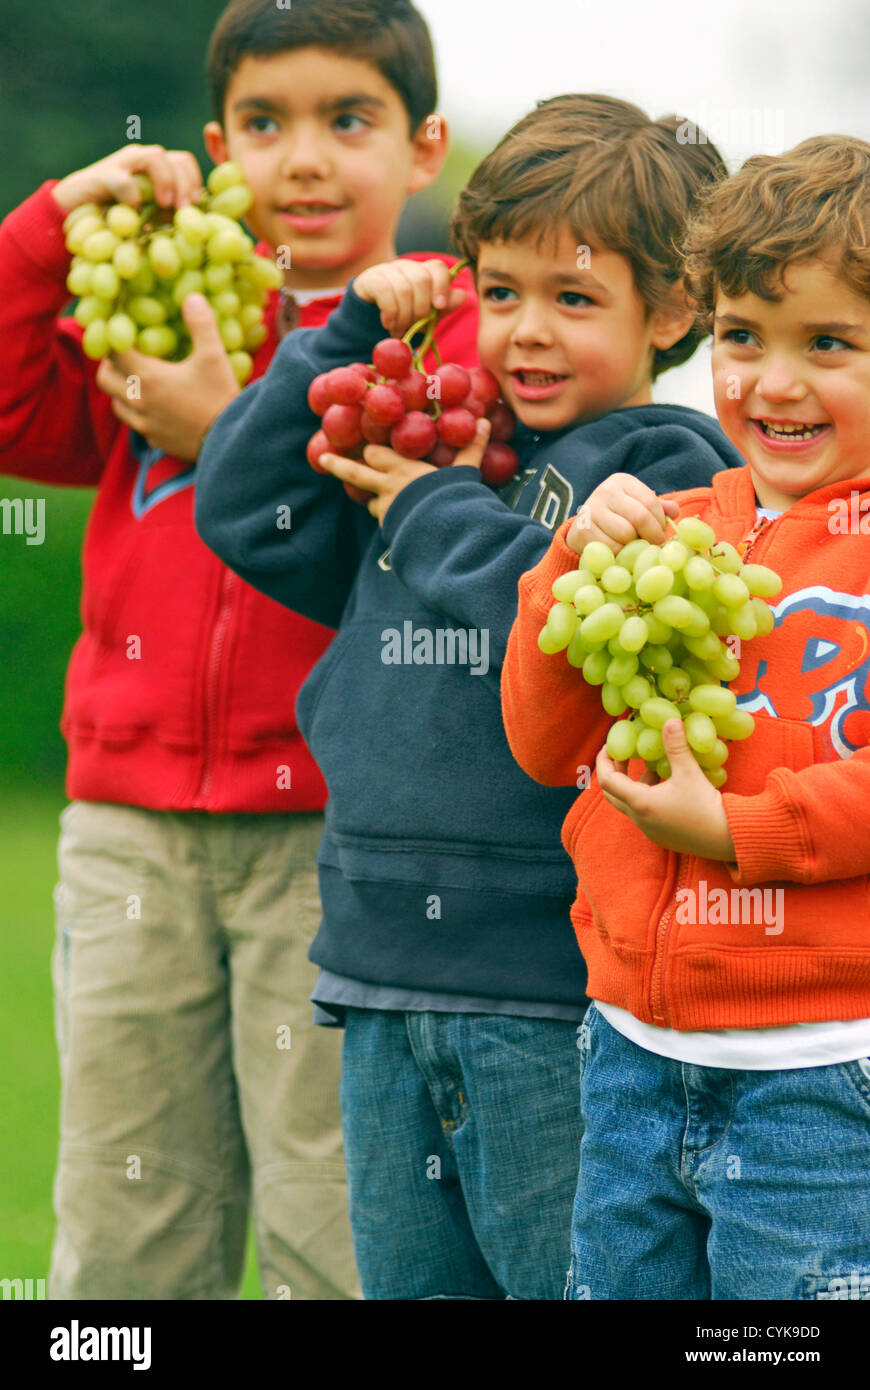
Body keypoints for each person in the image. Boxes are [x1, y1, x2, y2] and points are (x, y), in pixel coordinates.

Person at [195, 94, 743, 1300]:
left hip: (545, 1000)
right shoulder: (453, 451)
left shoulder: (669, 474)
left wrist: (430, 508)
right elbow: (239, 508)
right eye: (499, 292)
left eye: (575, 298)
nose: (526, 334)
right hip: (378, 972)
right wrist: (339, 339)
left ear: (674, 311)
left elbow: (569, 633)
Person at [0, 0, 473, 1300]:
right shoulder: (156, 314)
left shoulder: (440, 343)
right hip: (127, 829)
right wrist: (54, 221)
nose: (304, 157)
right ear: (217, 146)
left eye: (347, 119)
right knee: (124, 1211)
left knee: (335, 1215)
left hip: (331, 834)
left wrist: (231, 434)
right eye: (265, 123)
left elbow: (425, 562)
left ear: (422, 147)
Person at [501, 134, 870, 1301]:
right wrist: (566, 563)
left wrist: (739, 830)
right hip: (629, 1054)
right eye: (741, 336)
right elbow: (542, 739)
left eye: (830, 344)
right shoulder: (673, 527)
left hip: (822, 1075)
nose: (770, 382)